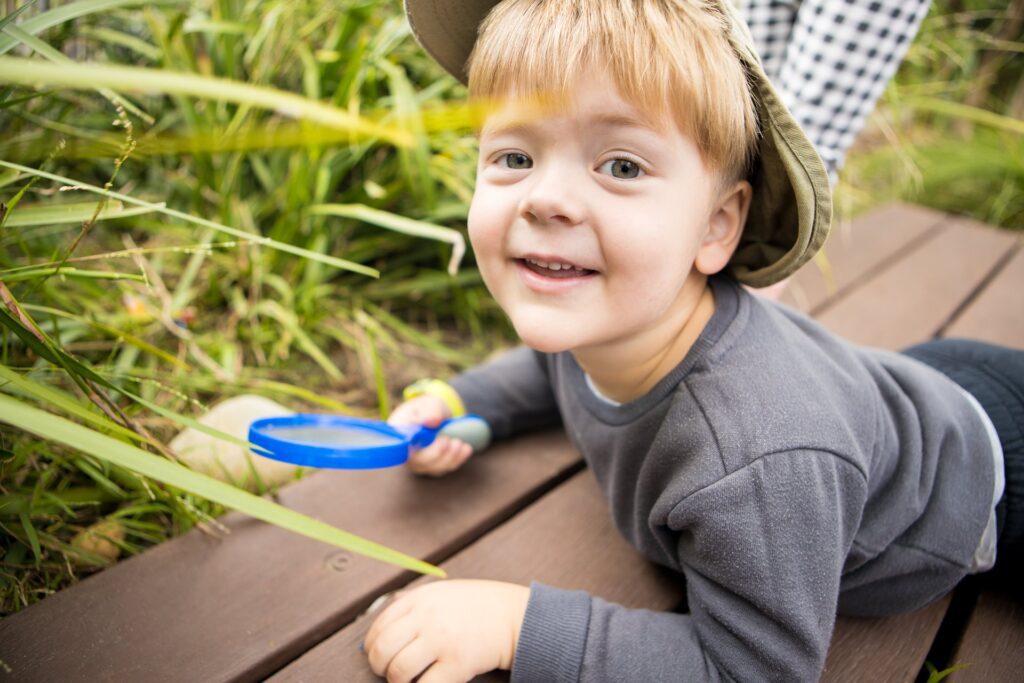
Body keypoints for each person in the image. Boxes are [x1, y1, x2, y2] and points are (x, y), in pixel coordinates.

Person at [363, 1, 1022, 681]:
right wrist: (458, 398)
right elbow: (548, 367)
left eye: (620, 166)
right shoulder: (612, 321)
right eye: (514, 155)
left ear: (716, 225)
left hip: (997, 475)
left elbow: (755, 668)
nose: (545, 197)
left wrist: (515, 625)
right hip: (906, 396)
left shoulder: (757, 452)